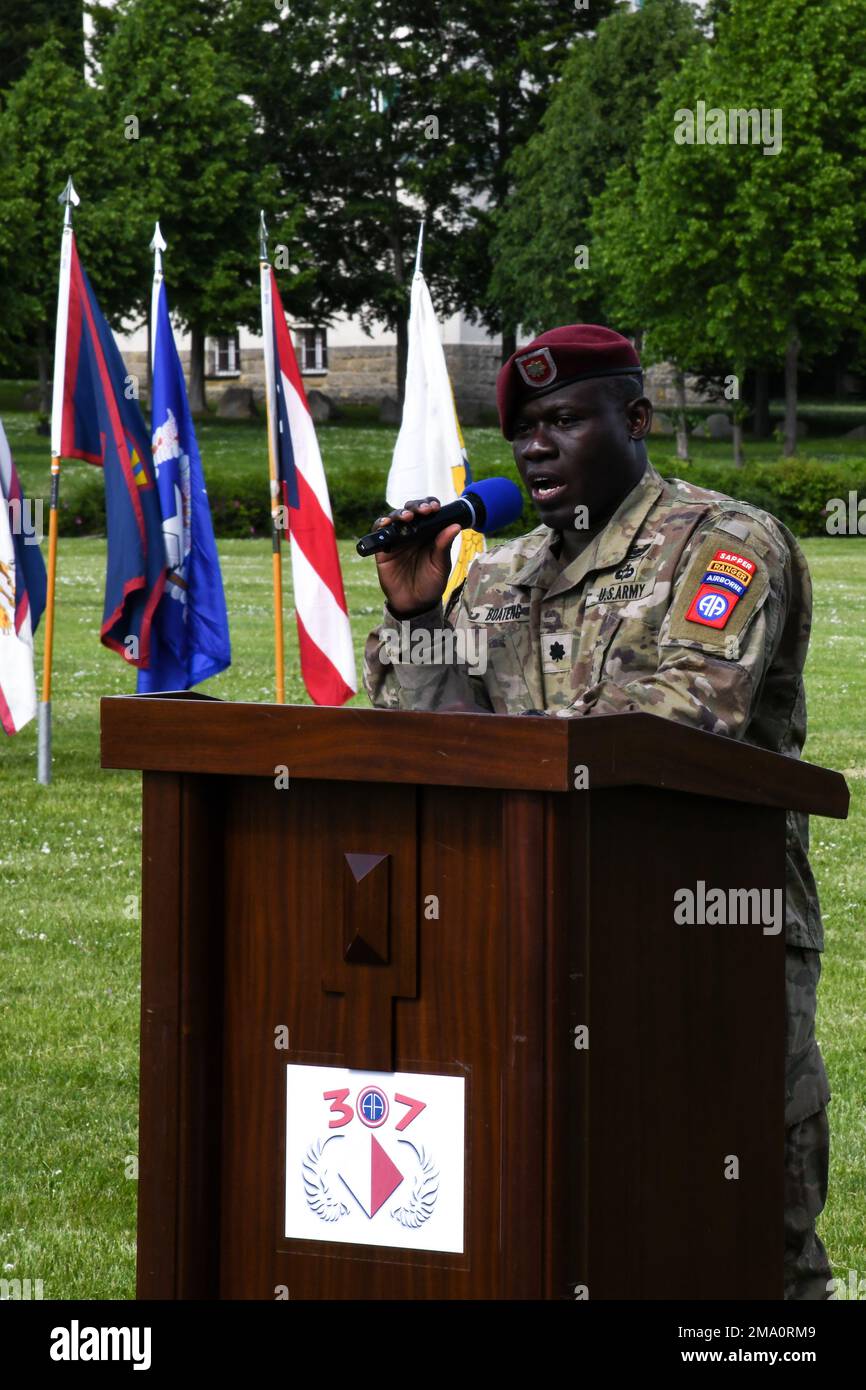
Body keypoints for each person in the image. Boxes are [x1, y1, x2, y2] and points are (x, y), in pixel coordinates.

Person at [362, 323, 833, 1301]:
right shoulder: (492, 580)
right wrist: (415, 618)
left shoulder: (723, 545)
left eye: (564, 421)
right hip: (536, 940)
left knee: (741, 1238)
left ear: (635, 419)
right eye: (524, 428)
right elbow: (429, 744)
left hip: (708, 937)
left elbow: (680, 726)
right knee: (570, 1219)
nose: (536, 446)